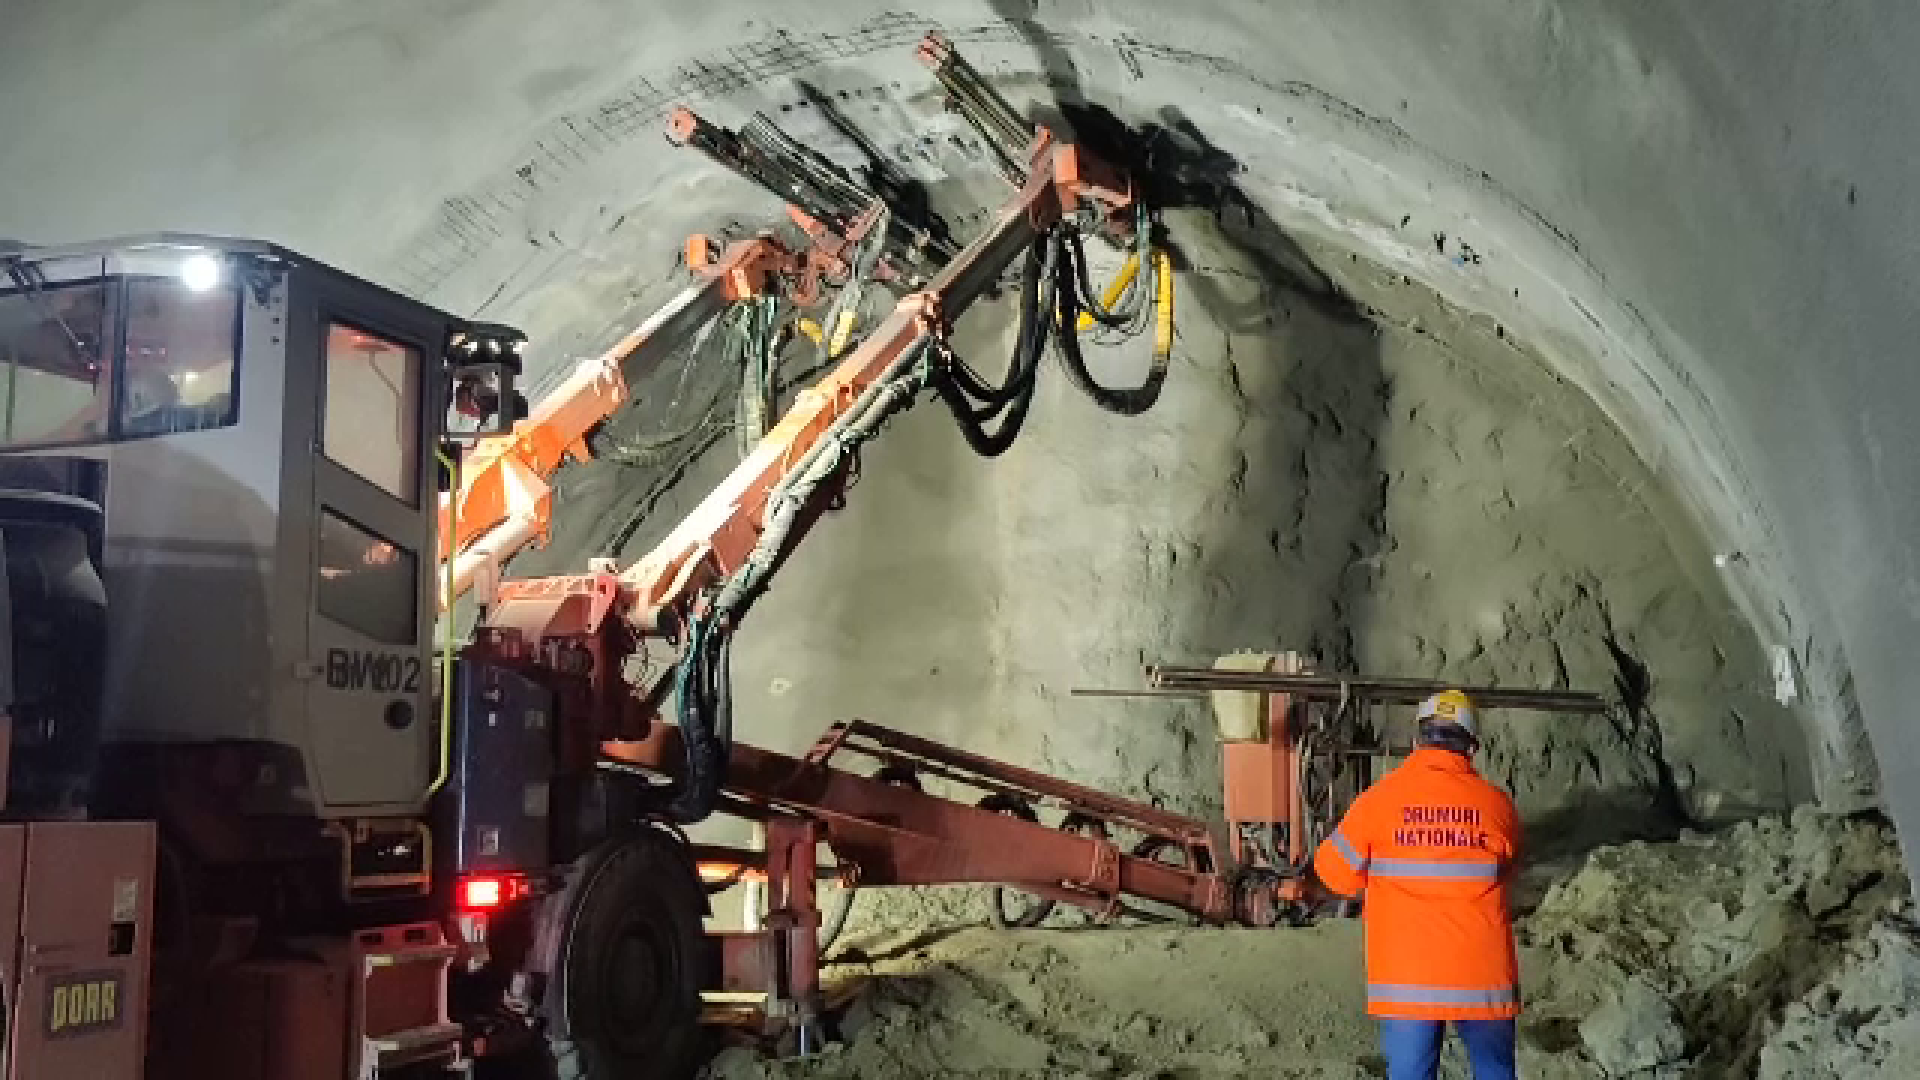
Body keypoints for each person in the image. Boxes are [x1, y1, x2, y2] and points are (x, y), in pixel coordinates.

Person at [1312, 689, 1523, 1080]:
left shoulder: (1378, 801)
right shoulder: (1497, 805)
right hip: (1482, 979)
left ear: (1416, 741)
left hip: (1407, 982)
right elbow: (1510, 868)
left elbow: (1333, 874)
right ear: (1472, 747)